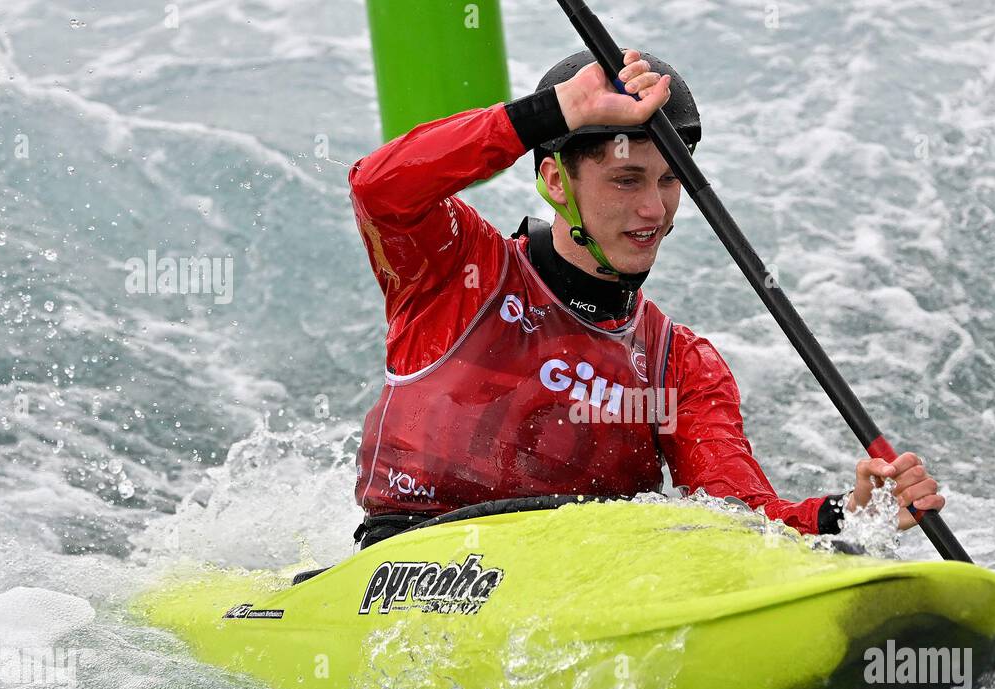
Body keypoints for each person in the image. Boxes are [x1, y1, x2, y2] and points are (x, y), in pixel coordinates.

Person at [347, 49, 943, 549]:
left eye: (668, 180)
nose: (654, 210)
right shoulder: (460, 269)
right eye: (627, 180)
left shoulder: (680, 364)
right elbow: (379, 186)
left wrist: (850, 513)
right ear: (557, 182)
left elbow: (737, 516)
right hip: (413, 553)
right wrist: (553, 112)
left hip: (584, 575)